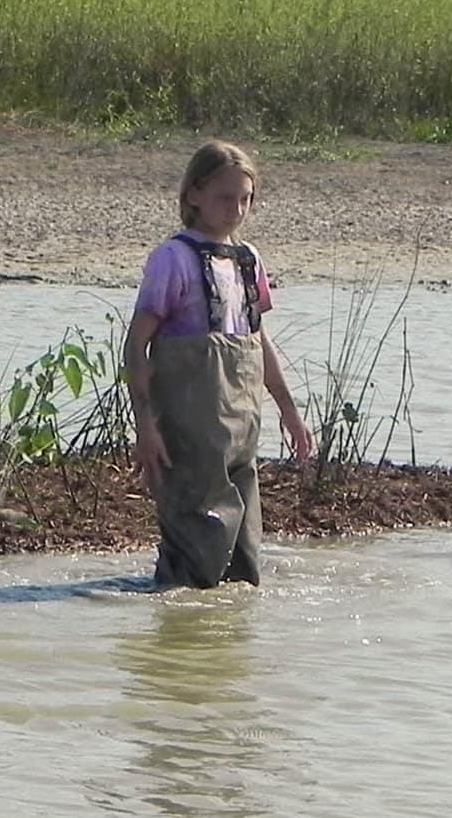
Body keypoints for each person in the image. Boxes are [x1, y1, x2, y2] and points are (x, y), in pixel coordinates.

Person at [124, 141, 314, 587]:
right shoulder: (173, 259)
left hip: (240, 424)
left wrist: (289, 410)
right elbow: (136, 344)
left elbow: (256, 338)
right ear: (193, 195)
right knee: (194, 553)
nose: (237, 209)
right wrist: (145, 424)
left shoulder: (249, 262)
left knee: (243, 561)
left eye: (245, 198)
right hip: (188, 429)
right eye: (225, 197)